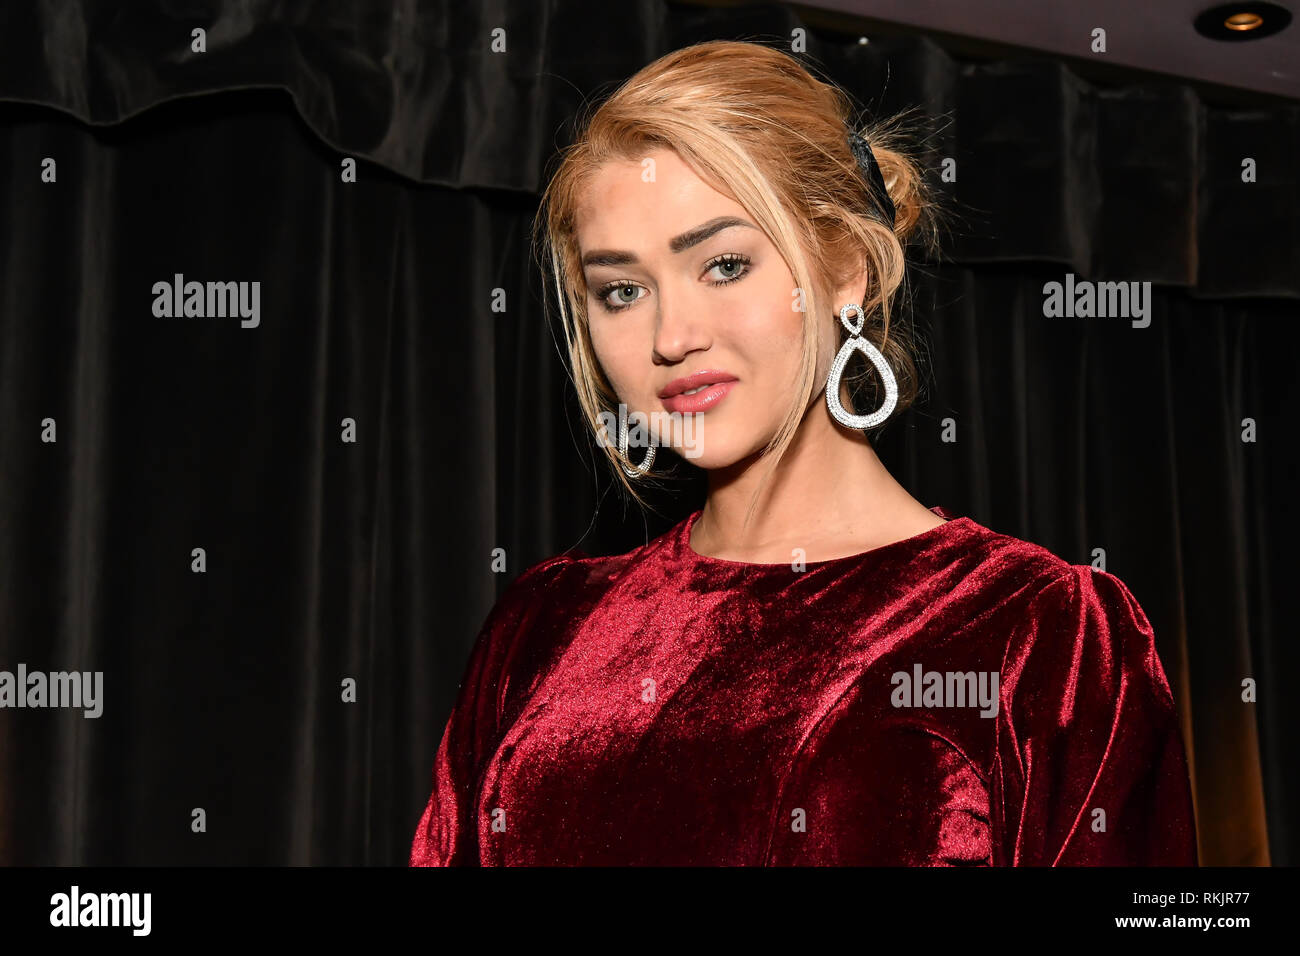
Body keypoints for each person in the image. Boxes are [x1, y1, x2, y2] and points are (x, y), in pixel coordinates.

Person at [409, 39, 1198, 866]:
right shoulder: (539, 633)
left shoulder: (1044, 635)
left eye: (723, 264)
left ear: (846, 270)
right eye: (622, 291)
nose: (672, 336)